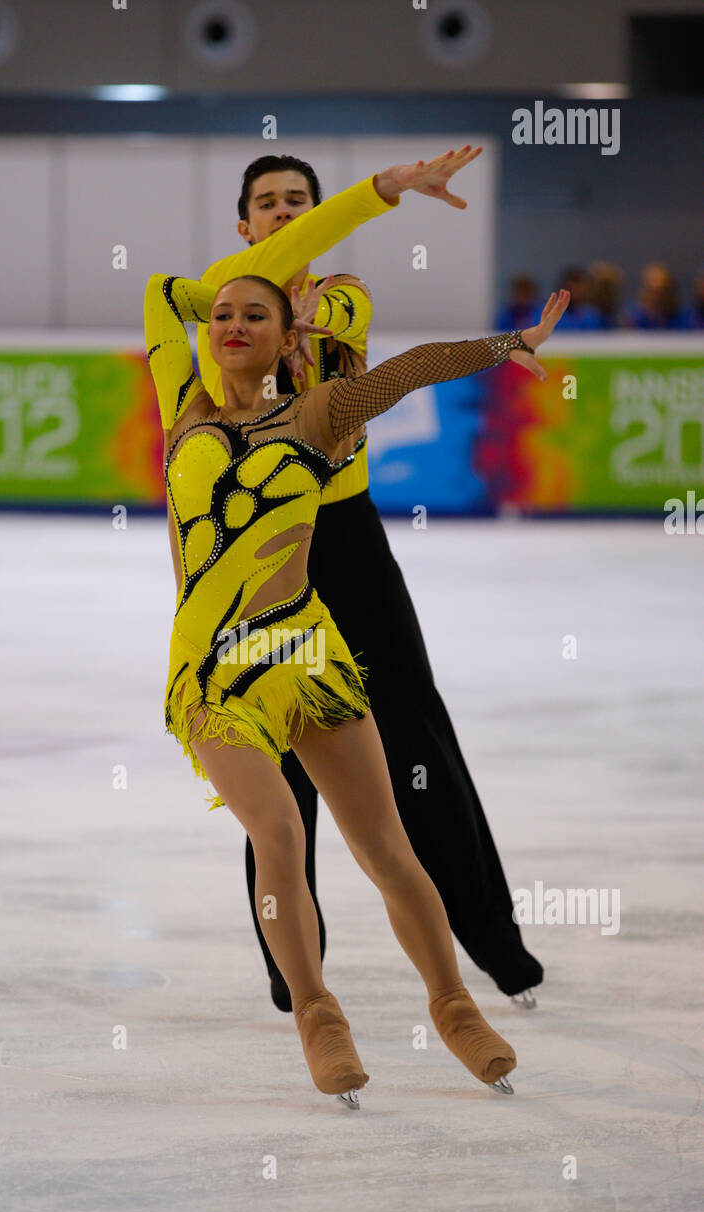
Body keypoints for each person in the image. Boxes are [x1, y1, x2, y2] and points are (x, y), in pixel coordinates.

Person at [144, 262, 570, 1105]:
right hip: (213, 671)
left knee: (386, 849)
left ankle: (452, 1006)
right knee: (278, 833)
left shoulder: (316, 414)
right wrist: (260, 276)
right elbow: (162, 290)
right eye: (221, 313)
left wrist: (504, 344)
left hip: (307, 654)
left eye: (255, 316)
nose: (232, 324)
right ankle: (318, 1015)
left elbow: (410, 370)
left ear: (287, 334)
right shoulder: (180, 402)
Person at [194, 150, 545, 1013]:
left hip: (347, 541)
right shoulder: (220, 299)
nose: (282, 215)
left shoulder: (345, 294)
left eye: (297, 203)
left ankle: (493, 943)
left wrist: (310, 319)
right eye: (267, 205)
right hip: (263, 557)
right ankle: (294, 970)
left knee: (416, 741)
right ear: (243, 224)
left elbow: (348, 337)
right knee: (275, 756)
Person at [628, 262, 686, 330]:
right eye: (653, 291)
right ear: (644, 291)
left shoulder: (684, 320)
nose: (658, 298)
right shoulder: (633, 319)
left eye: (662, 292)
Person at [551, 266, 602, 331]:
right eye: (572, 286)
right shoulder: (550, 315)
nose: (576, 291)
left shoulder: (594, 315)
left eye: (580, 286)